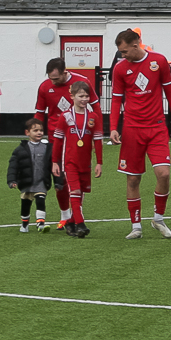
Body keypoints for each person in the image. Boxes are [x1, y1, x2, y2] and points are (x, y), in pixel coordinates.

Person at [108, 29, 171, 239]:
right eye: (120, 52)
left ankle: (158, 219)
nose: (122, 56)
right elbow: (115, 100)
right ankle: (136, 226)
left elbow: (170, 93)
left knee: (164, 174)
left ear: (136, 44)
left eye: (124, 51)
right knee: (133, 179)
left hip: (157, 128)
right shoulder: (120, 69)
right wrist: (113, 127)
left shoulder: (158, 61)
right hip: (132, 130)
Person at [53, 80, 103, 238]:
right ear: (72, 96)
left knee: (80, 194)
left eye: (87, 96)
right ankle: (80, 224)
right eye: (81, 96)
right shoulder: (66, 116)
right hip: (69, 161)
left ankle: (70, 223)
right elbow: (58, 141)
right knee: (74, 191)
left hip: (85, 162)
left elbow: (98, 141)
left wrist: (99, 162)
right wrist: (55, 161)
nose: (84, 99)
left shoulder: (93, 117)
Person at [7, 118, 52, 233]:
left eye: (41, 130)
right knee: (25, 206)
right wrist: (12, 180)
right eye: (35, 130)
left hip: (41, 181)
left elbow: (53, 166)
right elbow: (13, 166)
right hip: (26, 182)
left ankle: (40, 223)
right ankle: (24, 224)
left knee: (41, 200)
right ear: (27, 133)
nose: (39, 133)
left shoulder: (47, 148)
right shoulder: (20, 149)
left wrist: (58, 181)